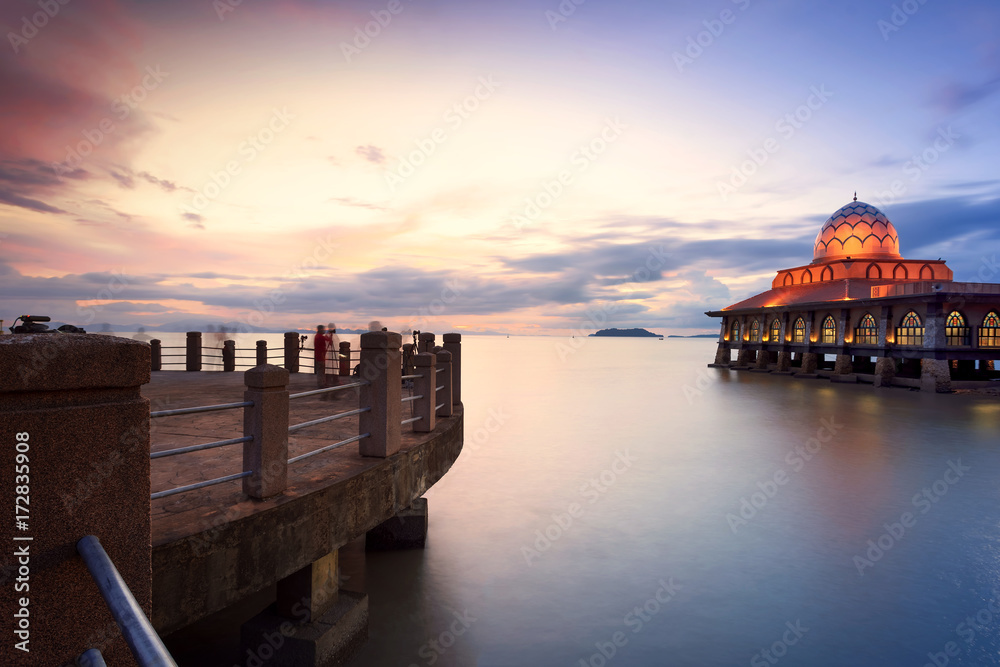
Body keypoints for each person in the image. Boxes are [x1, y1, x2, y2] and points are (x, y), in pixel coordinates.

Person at [314, 325, 329, 390]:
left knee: (320, 371)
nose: (324, 330)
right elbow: (328, 340)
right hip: (321, 356)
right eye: (323, 329)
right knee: (321, 371)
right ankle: (321, 384)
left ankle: (321, 383)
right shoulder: (320, 337)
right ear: (320, 330)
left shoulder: (317, 336)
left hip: (318, 356)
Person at [326, 323, 341, 388]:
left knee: (330, 368)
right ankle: (332, 380)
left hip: (332, 354)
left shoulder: (329, 336)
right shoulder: (331, 336)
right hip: (329, 354)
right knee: (330, 368)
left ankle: (333, 380)